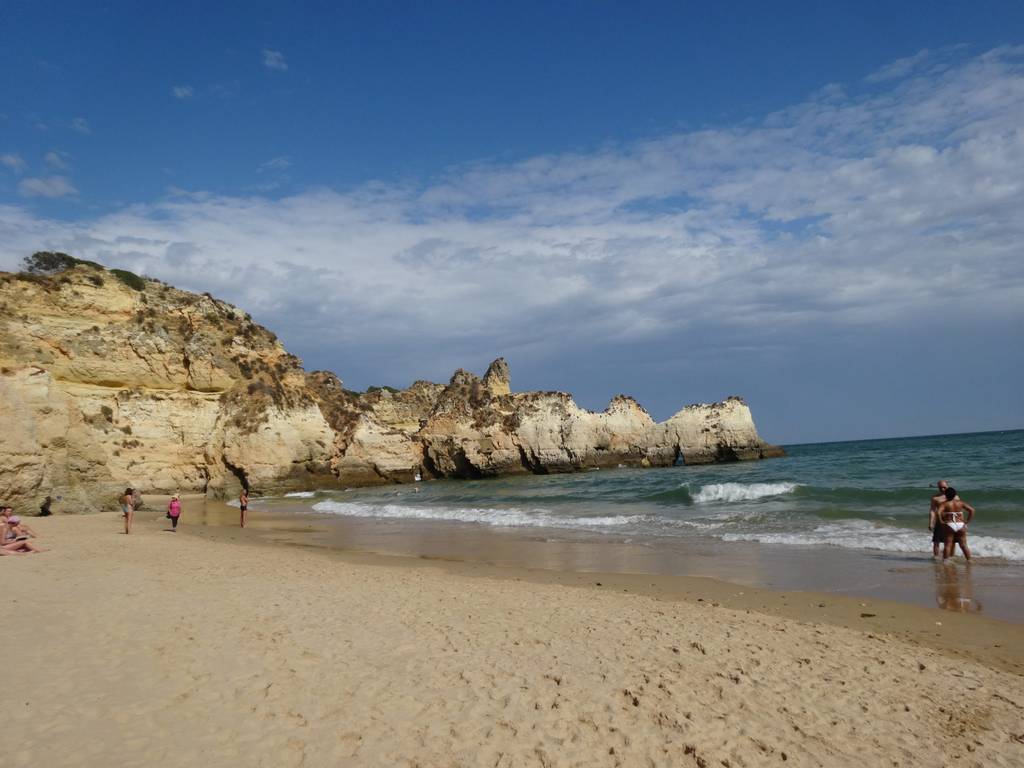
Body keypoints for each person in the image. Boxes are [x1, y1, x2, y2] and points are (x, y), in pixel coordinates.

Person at [937, 487, 975, 560]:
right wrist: (967, 521)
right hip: (960, 524)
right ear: (955, 495)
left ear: (945, 495)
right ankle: (969, 560)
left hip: (950, 524)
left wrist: (941, 521)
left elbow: (938, 512)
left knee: (948, 545)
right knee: (963, 545)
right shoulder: (960, 503)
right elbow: (972, 510)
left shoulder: (945, 504)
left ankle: (945, 561)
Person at [928, 480, 957, 557]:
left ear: (948, 486)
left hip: (951, 521)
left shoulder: (955, 496)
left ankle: (951, 557)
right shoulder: (935, 498)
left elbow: (958, 510)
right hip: (940, 521)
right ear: (938, 487)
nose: (943, 489)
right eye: (941, 488)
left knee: (952, 541)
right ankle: (936, 558)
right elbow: (932, 511)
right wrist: (931, 523)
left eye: (944, 487)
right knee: (936, 541)